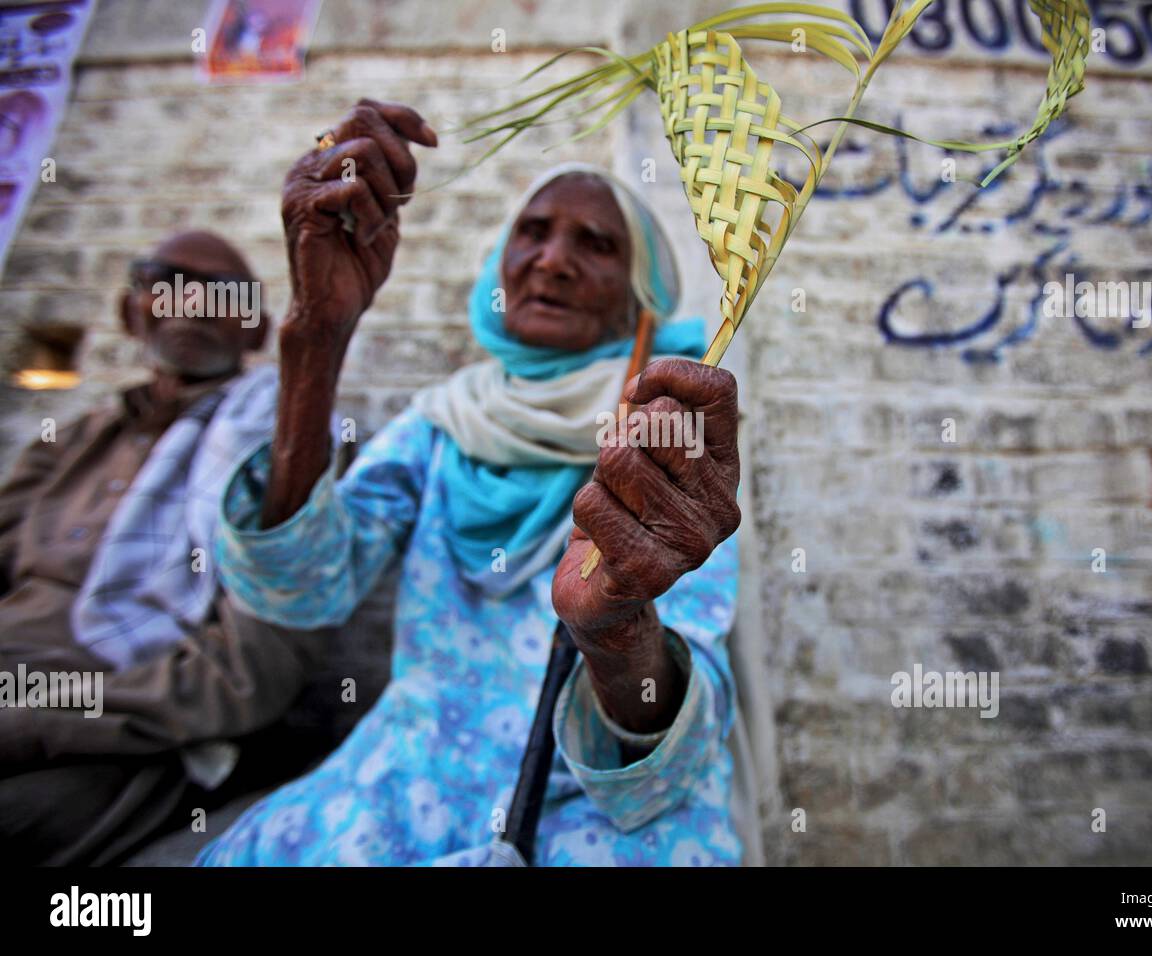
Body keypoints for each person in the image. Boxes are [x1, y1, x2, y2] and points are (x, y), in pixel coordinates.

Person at [196, 99, 745, 866]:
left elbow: (671, 722)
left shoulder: (666, 438)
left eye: (596, 244)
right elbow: (302, 585)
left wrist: (613, 633)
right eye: (533, 231)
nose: (552, 260)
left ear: (640, 301)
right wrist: (317, 338)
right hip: (408, 776)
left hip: (593, 804)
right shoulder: (444, 423)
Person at [0, 230, 322, 864]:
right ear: (130, 310)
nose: (194, 301)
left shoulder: (272, 453)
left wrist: (32, 712)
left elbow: (247, 674)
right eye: (167, 279)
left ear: (256, 331)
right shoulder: (66, 444)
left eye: (224, 293)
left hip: (112, 733)